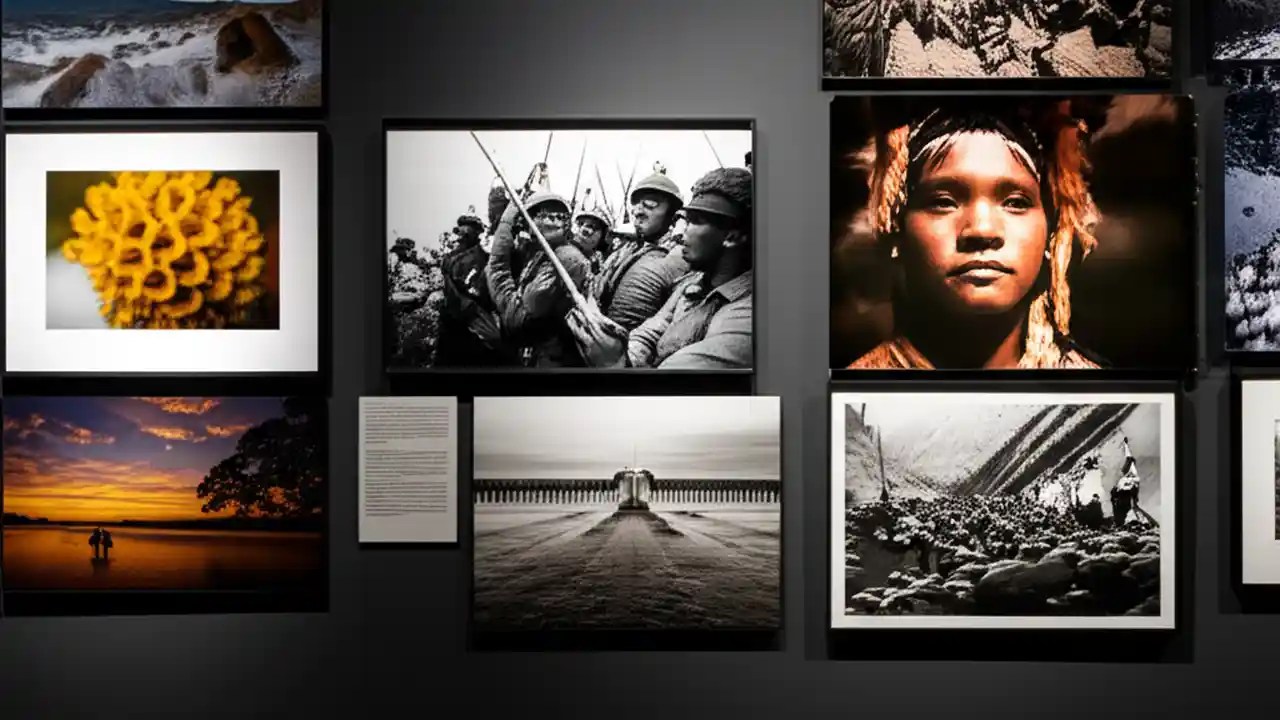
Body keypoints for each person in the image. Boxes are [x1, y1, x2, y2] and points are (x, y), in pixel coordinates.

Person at [847, 101, 1105, 369]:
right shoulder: (850, 399)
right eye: (943, 202)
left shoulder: (1104, 400)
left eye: (1016, 202)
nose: (982, 230)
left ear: (1052, 232)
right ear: (896, 227)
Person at [567, 167, 753, 369]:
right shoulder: (691, 287)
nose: (683, 234)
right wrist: (624, 354)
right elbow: (649, 333)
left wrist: (617, 364)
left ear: (733, 236)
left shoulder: (747, 318)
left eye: (696, 222)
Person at [485, 191, 591, 367]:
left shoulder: (567, 259)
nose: (555, 221)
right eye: (545, 215)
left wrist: (505, 224)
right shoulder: (540, 254)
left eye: (560, 216)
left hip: (553, 365)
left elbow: (518, 319)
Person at [589, 170, 690, 331]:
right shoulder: (624, 251)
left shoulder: (681, 255)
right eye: (635, 205)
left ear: (672, 214)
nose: (638, 212)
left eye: (649, 204)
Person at [436, 207, 511, 366]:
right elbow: (450, 292)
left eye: (469, 226)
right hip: (458, 320)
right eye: (462, 226)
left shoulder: (485, 256)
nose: (464, 231)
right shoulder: (449, 259)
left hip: (479, 317)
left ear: (477, 232)